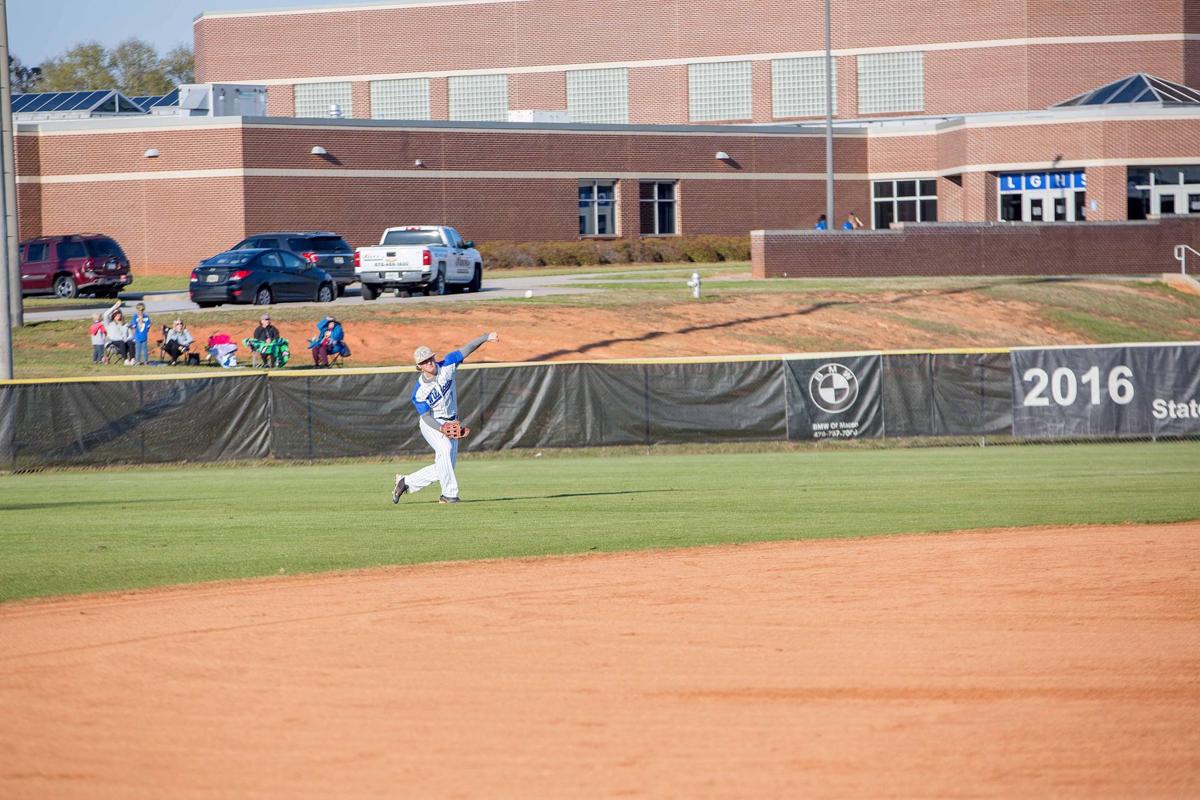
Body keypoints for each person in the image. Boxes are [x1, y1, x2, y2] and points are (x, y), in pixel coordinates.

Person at [392, 332, 500, 505]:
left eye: (430, 358)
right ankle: (449, 495)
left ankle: (405, 482)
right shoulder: (419, 392)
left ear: (434, 357)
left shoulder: (447, 365)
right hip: (433, 423)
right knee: (444, 448)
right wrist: (441, 428)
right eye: (424, 362)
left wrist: (486, 337)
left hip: (452, 421)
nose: (429, 363)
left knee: (446, 467)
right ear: (419, 366)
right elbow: (426, 416)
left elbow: (467, 349)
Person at [102, 300, 135, 365]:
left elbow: (131, 335)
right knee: (121, 342)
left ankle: (132, 360)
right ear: (113, 315)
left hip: (125, 342)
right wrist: (115, 306)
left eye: (119, 313)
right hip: (113, 343)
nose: (118, 314)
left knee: (130, 342)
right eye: (116, 313)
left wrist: (128, 339)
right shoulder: (109, 324)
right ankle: (125, 360)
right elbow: (105, 315)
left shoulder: (126, 324)